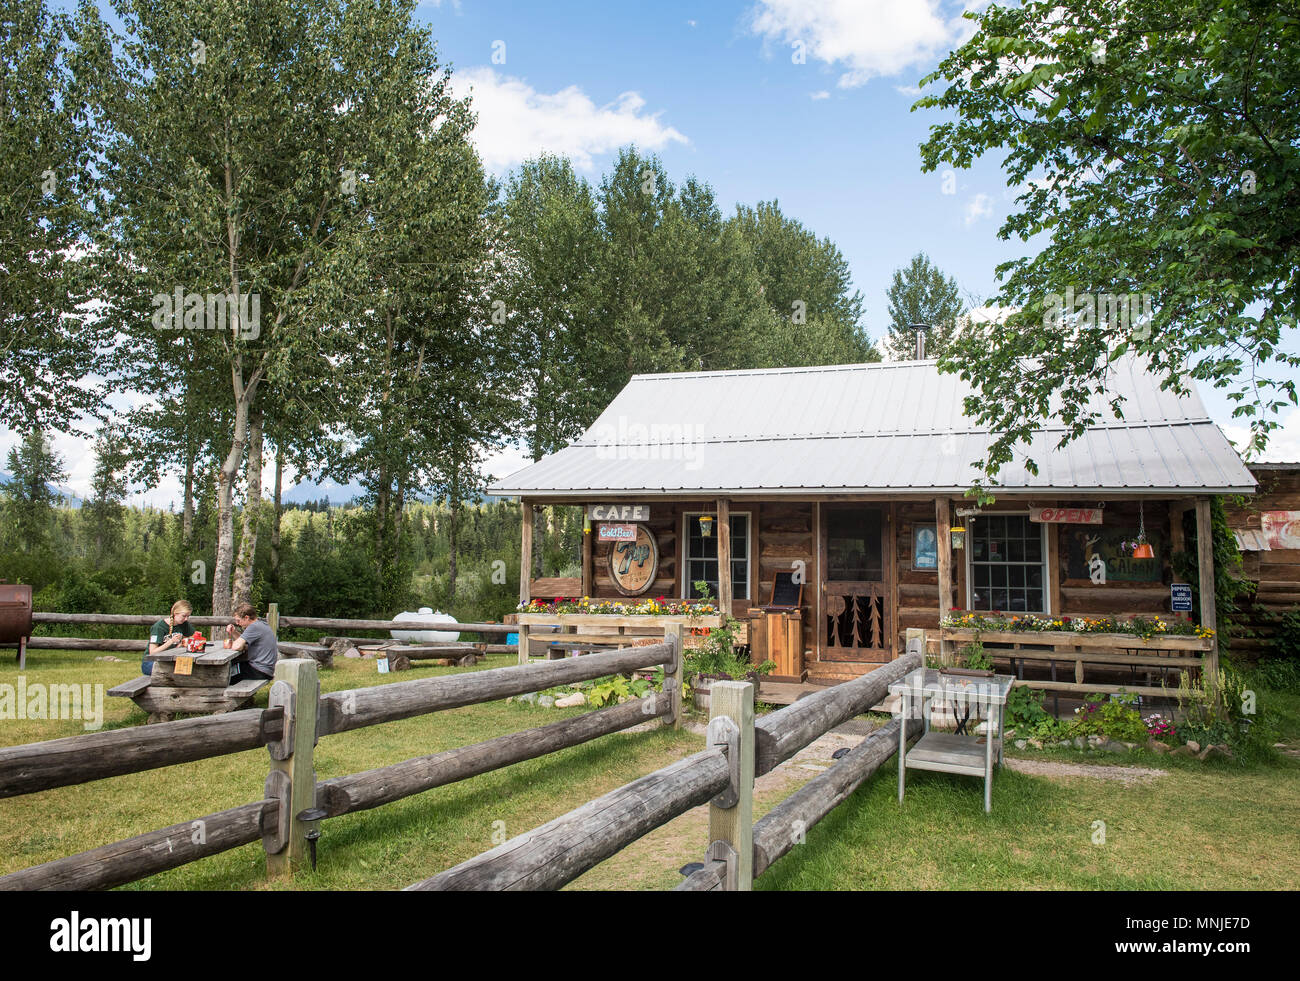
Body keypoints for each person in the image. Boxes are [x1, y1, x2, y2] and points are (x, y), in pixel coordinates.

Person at [226, 602, 279, 682]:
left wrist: (230, 644)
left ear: (246, 617)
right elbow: (244, 642)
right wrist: (234, 632)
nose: (237, 623)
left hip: (259, 670)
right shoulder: (261, 624)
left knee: (225, 674)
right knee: (232, 668)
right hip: (266, 669)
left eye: (238, 620)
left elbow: (237, 646)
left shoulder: (253, 627)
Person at [143, 600, 196, 675]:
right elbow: (152, 652)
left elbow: (194, 636)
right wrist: (171, 641)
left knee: (191, 669)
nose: (186, 619)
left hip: (170, 660)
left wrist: (184, 642)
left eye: (188, 616)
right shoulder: (159, 627)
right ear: (175, 613)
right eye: (184, 616)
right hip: (151, 662)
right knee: (178, 672)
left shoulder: (184, 624)